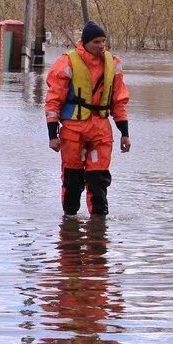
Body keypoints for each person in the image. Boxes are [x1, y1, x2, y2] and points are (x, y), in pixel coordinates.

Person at [44, 22, 130, 216]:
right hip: (73, 132)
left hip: (100, 131)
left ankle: (98, 232)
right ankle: (70, 225)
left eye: (103, 41)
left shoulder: (113, 64)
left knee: (98, 181)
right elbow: (53, 100)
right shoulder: (68, 62)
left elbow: (119, 101)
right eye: (97, 42)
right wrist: (52, 135)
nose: (101, 46)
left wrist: (125, 133)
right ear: (84, 43)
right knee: (72, 181)